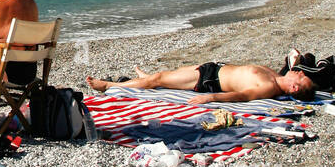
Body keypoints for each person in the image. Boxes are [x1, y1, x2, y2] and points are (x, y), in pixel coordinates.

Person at [86, 61, 316, 103]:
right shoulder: (276, 75)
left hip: (208, 81)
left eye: (301, 76)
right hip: (211, 68)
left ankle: (108, 86)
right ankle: (146, 78)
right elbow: (292, 63)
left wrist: (211, 97)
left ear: (294, 87)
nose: (299, 72)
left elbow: (242, 96)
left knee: (157, 80)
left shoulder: (269, 87)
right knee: (165, 75)